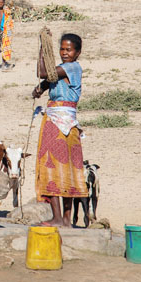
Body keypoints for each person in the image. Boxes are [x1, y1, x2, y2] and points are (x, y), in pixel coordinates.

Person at [31, 33, 87, 227]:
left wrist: (42, 49)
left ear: (78, 52)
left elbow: (44, 73)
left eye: (69, 50)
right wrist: (42, 89)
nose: (65, 53)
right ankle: (65, 219)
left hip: (57, 122)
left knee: (51, 166)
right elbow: (50, 81)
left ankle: (58, 218)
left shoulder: (72, 67)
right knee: (67, 168)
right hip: (67, 122)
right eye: (62, 49)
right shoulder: (67, 69)